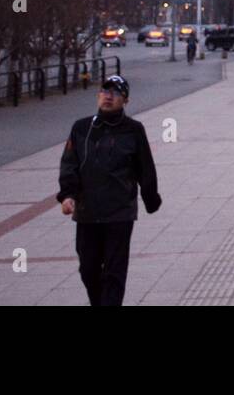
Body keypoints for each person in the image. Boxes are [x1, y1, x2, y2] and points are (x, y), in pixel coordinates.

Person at [57, 76, 161, 307]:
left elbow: (145, 167)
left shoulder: (133, 130)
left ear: (125, 100)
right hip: (87, 211)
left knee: (114, 271)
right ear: (98, 96)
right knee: (88, 268)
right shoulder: (82, 128)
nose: (108, 96)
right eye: (105, 91)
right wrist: (68, 195)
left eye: (115, 92)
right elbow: (69, 164)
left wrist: (150, 198)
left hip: (119, 213)